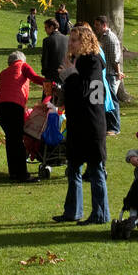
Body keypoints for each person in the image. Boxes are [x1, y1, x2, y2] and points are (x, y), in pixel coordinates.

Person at [53, 24, 110, 226]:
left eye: (75, 39)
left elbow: (86, 90)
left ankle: (100, 213)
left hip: (91, 123)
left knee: (95, 170)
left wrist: (70, 74)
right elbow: (74, 91)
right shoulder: (78, 61)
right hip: (77, 122)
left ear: (85, 40)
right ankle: (72, 211)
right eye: (70, 39)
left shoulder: (92, 61)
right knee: (73, 168)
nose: (71, 43)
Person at [0, 51, 45, 182]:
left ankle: (13, 173)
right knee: (17, 140)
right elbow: (34, 78)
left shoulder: (4, 72)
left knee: (11, 139)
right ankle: (22, 174)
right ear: (22, 59)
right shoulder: (22, 65)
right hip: (13, 105)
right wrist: (51, 84)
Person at [92, 16, 123, 133]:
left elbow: (115, 59)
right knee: (107, 100)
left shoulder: (110, 38)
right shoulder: (103, 37)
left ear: (104, 25)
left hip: (110, 74)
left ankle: (115, 128)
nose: (95, 27)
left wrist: (118, 72)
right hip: (106, 73)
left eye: (97, 25)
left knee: (112, 101)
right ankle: (109, 125)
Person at [39, 18, 68, 82]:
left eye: (46, 28)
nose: (45, 30)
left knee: (49, 92)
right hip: (65, 74)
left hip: (51, 75)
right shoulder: (67, 39)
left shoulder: (47, 40)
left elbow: (45, 59)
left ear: (52, 27)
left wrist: (44, 71)